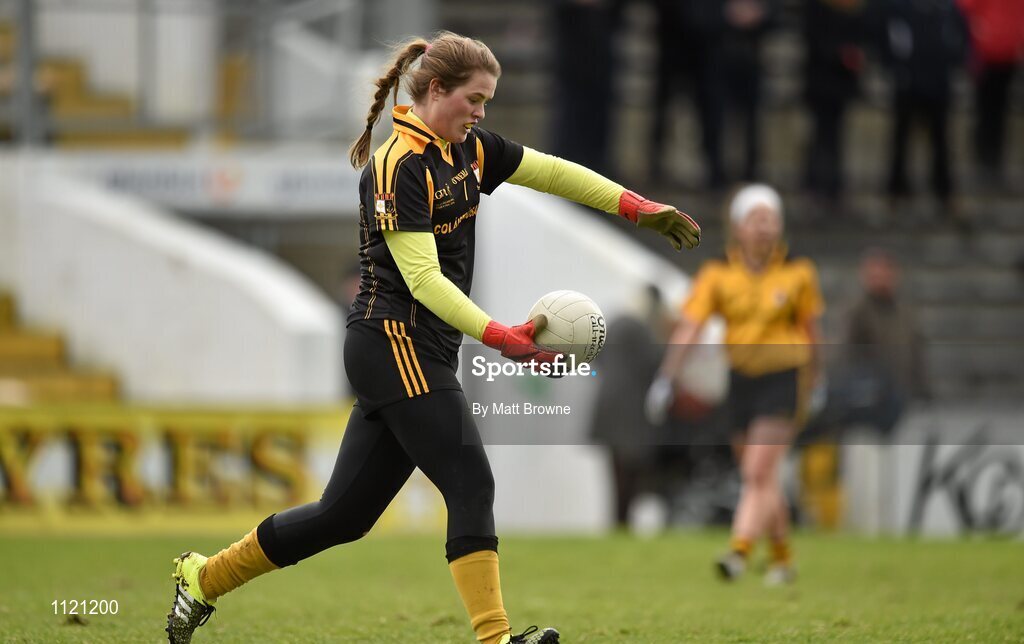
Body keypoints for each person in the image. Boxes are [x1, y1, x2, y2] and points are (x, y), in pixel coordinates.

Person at [165, 31, 701, 644]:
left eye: (488, 103)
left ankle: (203, 578)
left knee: (343, 516)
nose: (480, 114)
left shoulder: (466, 149)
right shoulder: (398, 163)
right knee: (471, 480)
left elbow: (550, 173)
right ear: (436, 89)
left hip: (421, 348)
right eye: (474, 99)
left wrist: (635, 207)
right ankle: (496, 638)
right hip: (393, 341)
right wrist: (501, 335)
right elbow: (421, 279)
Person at [645, 184, 822, 586]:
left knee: (757, 471)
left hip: (783, 378)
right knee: (763, 477)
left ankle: (738, 551)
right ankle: (782, 558)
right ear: (738, 227)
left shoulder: (798, 273)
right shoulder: (718, 275)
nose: (765, 227)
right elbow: (691, 327)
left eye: (771, 219)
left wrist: (816, 380)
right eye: (756, 219)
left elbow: (811, 331)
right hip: (742, 381)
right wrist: (667, 377)